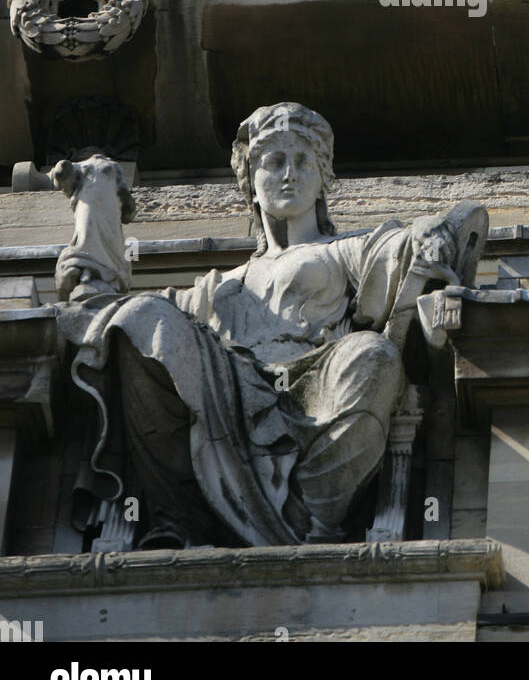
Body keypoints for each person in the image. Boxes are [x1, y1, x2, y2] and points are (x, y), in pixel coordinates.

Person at [59, 102, 486, 548]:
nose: (290, 174)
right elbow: (105, 313)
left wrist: (429, 231)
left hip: (317, 393)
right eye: (274, 161)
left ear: (322, 180)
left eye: (304, 161)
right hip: (226, 396)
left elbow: (410, 248)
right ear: (250, 181)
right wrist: (96, 205)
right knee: (141, 317)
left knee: (372, 354)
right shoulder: (217, 287)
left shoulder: (345, 251)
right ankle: (181, 508)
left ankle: (312, 519)